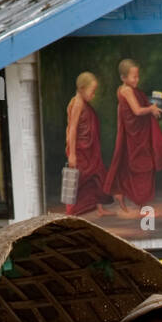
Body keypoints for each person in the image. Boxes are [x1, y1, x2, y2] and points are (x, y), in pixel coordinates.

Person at [104, 58, 162, 217]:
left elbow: (122, 110)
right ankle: (142, 206)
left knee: (132, 167)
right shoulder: (127, 91)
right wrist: (151, 108)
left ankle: (122, 194)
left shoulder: (122, 89)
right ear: (123, 77)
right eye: (133, 77)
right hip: (135, 137)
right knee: (142, 167)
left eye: (137, 76)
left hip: (136, 133)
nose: (137, 80)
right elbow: (137, 111)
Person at [64, 72, 112, 216]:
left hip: (90, 149)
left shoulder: (83, 103)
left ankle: (99, 208)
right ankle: (72, 212)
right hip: (81, 150)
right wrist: (72, 154)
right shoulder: (77, 103)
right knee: (79, 180)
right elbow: (72, 129)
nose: (94, 95)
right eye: (92, 91)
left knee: (97, 177)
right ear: (82, 89)